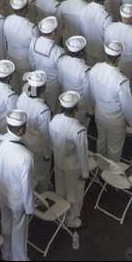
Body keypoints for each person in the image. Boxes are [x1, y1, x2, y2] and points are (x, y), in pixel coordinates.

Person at [0, 108, 36, 261]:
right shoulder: (25, 156)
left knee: (5, 222)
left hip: (2, 192)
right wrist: (29, 207)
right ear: (22, 130)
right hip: (17, 200)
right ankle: (19, 258)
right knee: (19, 230)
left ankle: (6, 253)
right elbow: (27, 186)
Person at [49, 90, 91, 229]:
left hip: (59, 161)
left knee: (60, 190)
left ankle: (61, 214)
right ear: (77, 108)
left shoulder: (54, 120)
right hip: (73, 167)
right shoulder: (78, 130)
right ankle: (72, 219)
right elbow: (82, 153)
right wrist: (85, 173)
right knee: (74, 194)